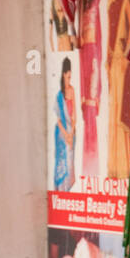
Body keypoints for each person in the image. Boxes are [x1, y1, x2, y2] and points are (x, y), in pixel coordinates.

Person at [105, 0, 130, 180]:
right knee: (114, 110)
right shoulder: (109, 0)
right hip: (111, 60)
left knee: (122, 110)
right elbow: (108, 30)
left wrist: (127, 57)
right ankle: (116, 168)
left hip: (123, 57)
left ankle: (127, 165)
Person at [78, 0, 105, 175]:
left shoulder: (95, 0)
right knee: (85, 97)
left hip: (93, 51)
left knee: (93, 96)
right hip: (84, 52)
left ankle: (93, 147)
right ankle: (87, 148)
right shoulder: (83, 5)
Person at [54, 58, 76, 190]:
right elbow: (58, 120)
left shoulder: (72, 90)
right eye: (68, 77)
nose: (69, 80)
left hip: (71, 132)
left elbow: (74, 116)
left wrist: (71, 133)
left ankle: (67, 191)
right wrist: (66, 134)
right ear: (63, 75)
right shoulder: (59, 95)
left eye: (71, 77)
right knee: (62, 163)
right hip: (61, 134)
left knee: (71, 162)